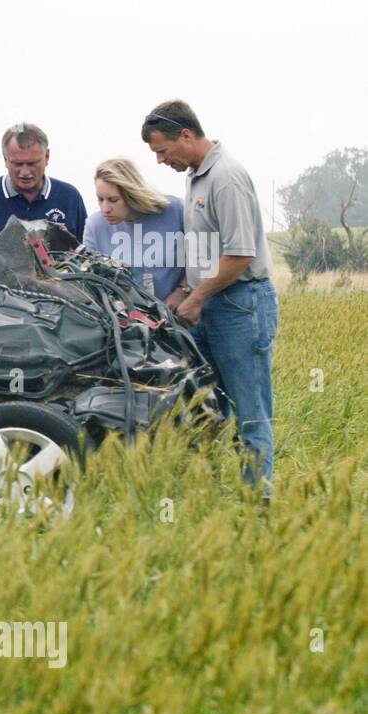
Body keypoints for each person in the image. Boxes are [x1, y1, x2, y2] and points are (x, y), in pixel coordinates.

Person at [142, 100, 279, 494]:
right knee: (207, 404)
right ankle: (220, 493)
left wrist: (197, 299)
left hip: (241, 306)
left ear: (186, 135)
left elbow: (240, 254)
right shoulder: (195, 176)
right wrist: (183, 290)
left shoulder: (227, 176)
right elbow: (202, 249)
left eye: (162, 151)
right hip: (214, 304)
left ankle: (257, 509)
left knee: (250, 415)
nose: (160, 161)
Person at [0, 122, 87, 261]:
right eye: (18, 164)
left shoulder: (69, 197)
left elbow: (86, 258)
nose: (25, 172)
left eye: (32, 163)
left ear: (47, 157)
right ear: (5, 159)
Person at [82, 158, 185, 301]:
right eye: (100, 199)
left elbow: (202, 257)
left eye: (113, 200)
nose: (105, 209)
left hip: (176, 313)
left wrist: (183, 291)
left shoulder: (175, 210)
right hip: (124, 317)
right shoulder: (95, 226)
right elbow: (89, 282)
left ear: (131, 194)